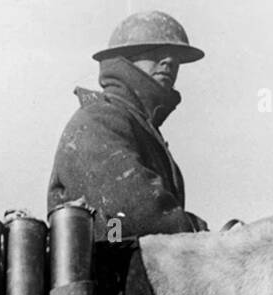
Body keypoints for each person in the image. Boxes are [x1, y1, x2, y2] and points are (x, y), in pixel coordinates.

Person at [47, 10, 207, 238]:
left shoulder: (138, 126)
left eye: (175, 57)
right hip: (105, 270)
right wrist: (198, 231)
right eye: (155, 52)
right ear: (125, 60)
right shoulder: (99, 119)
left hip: (134, 266)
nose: (169, 62)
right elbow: (134, 212)